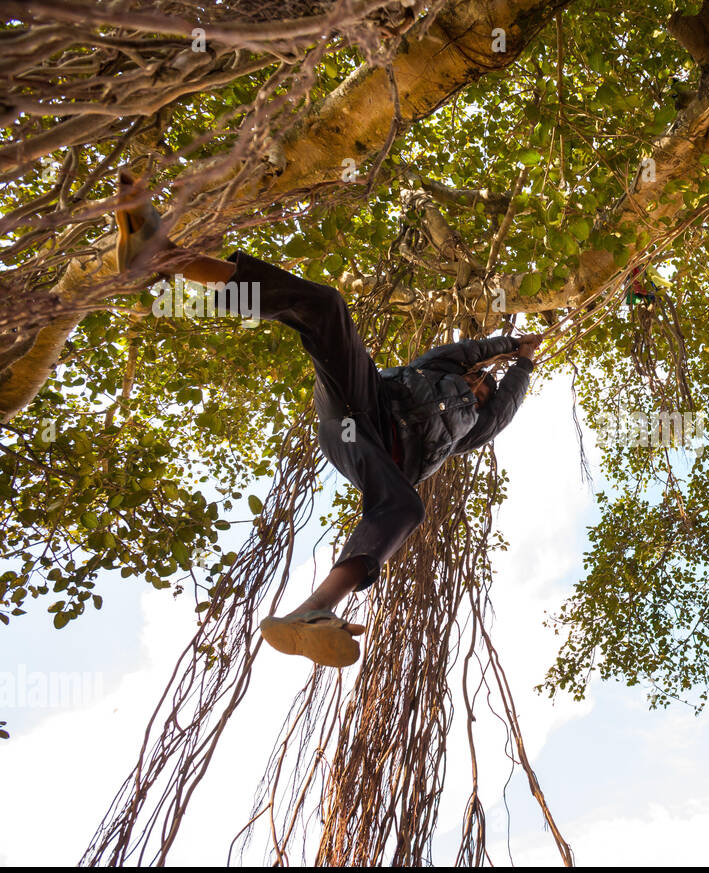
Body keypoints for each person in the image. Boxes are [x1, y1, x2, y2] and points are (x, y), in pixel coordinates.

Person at [114, 173, 540, 668]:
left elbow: (505, 405)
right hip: (367, 400)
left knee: (405, 506)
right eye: (478, 380)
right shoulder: (439, 366)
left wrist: (526, 366)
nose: (478, 387)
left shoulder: (476, 426)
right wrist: (512, 345)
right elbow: (469, 350)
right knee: (326, 308)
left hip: (376, 449)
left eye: (483, 391)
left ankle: (312, 612)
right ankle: (169, 259)